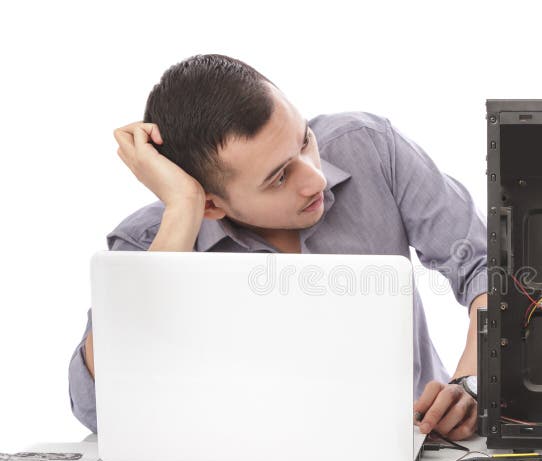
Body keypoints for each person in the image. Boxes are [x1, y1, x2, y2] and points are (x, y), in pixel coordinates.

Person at [68, 54, 487, 440]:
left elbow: (488, 269)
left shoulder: (370, 146)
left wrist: (469, 382)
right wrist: (182, 210)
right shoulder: (149, 243)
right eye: (279, 178)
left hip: (411, 451)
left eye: (304, 141)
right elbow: (98, 407)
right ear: (211, 204)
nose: (315, 179)